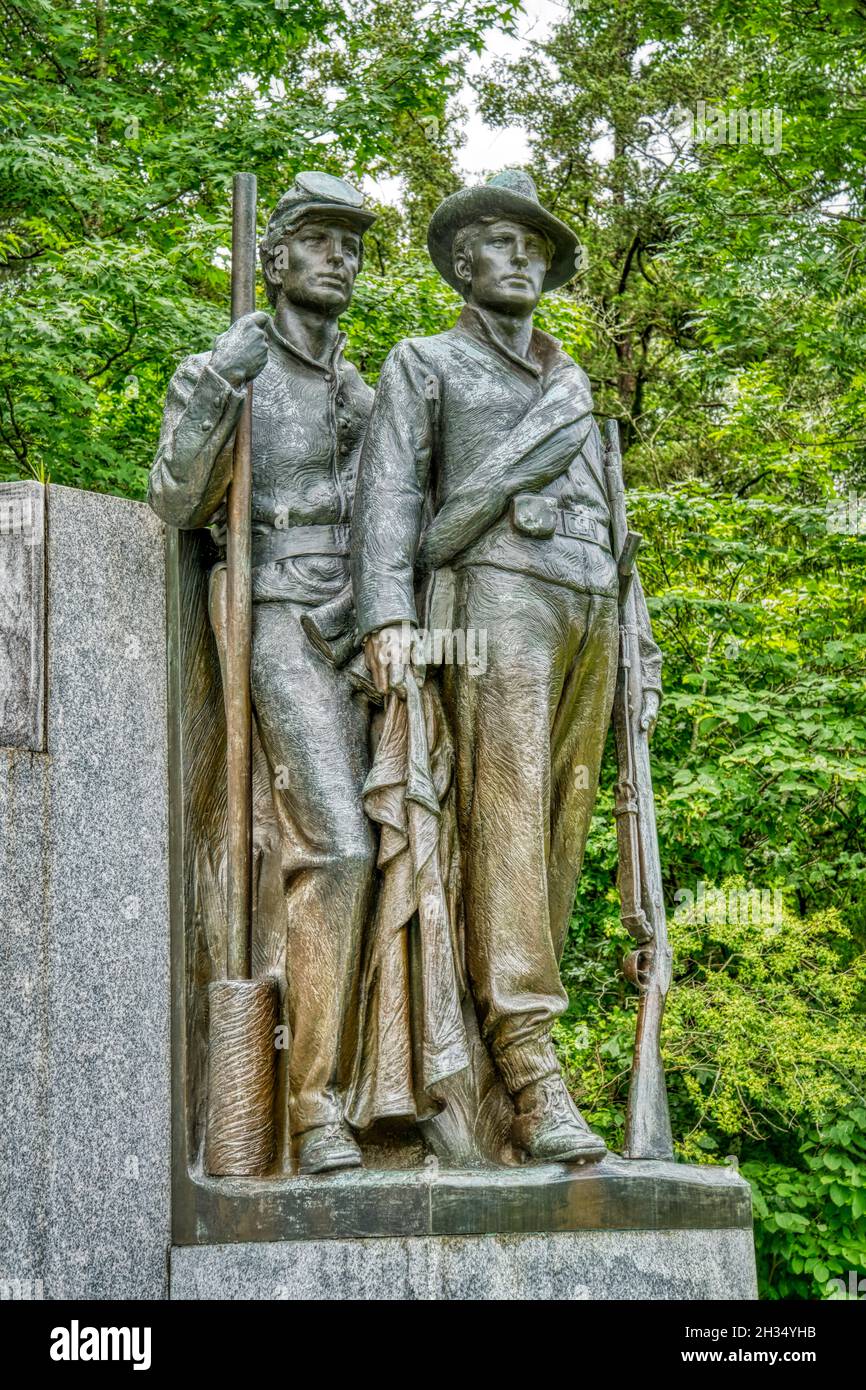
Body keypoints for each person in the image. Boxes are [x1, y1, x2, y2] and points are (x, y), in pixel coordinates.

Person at [351, 170, 662, 1163]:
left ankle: (519, 1045)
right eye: (499, 240)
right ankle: (529, 1069)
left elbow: (618, 530)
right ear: (459, 263)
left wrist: (639, 643)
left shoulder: (574, 385)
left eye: (533, 244)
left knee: (557, 834)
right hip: (495, 594)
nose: (521, 256)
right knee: (507, 818)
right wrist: (387, 616)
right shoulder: (424, 361)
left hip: (589, 606)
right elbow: (390, 495)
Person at [149, 171, 377, 1175]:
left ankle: (395, 1092)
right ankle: (315, 1103)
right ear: (274, 257)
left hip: (362, 630)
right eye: (319, 240)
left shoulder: (366, 394)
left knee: (404, 842)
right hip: (275, 614)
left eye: (353, 245)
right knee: (340, 847)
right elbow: (173, 500)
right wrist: (216, 381)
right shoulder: (231, 367)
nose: (340, 258)